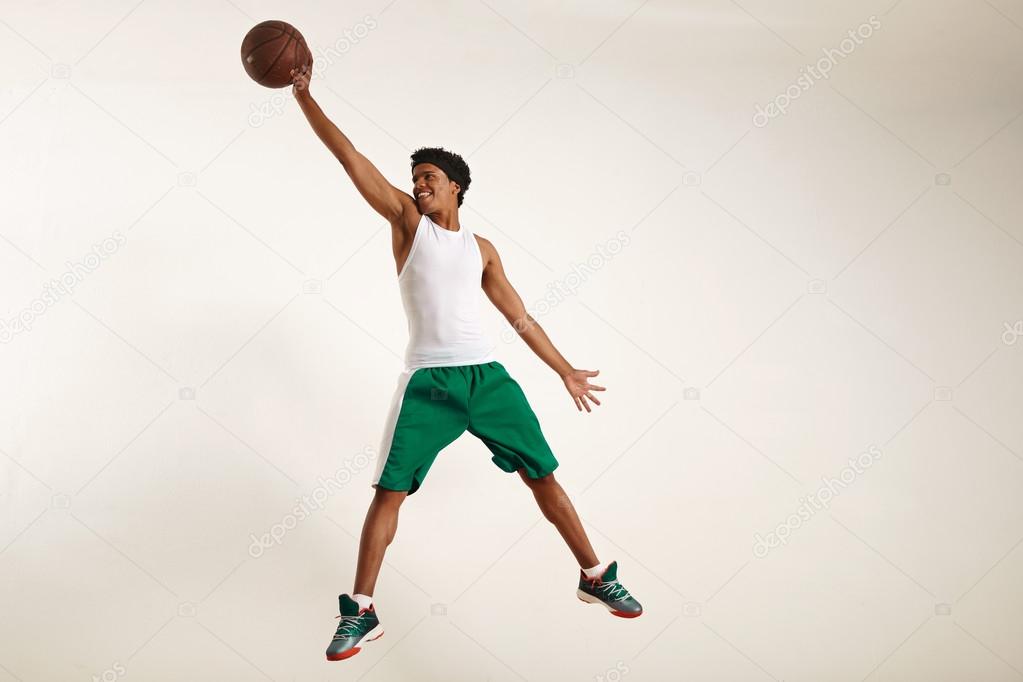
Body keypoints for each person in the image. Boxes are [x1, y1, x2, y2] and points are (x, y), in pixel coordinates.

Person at [289, 63, 643, 663]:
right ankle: (361, 608)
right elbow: (349, 156)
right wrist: (304, 95)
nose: (418, 185)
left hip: (489, 378)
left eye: (428, 178)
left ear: (456, 187)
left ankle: (592, 574)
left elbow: (520, 318)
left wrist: (563, 369)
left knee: (543, 476)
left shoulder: (481, 249)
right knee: (390, 492)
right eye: (414, 178)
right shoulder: (407, 224)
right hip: (429, 382)